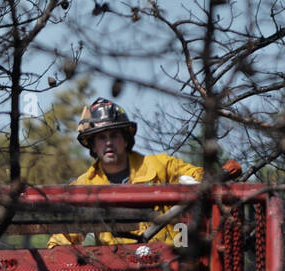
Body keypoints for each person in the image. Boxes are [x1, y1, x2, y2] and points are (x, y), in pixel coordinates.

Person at [46, 98, 243, 248]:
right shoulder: (84, 187)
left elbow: (202, 179)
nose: (108, 142)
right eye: (100, 137)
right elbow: (62, 239)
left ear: (125, 139)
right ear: (92, 145)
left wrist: (202, 183)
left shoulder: (161, 166)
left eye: (114, 135)